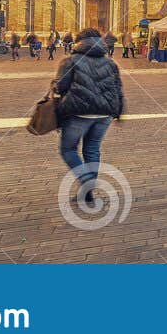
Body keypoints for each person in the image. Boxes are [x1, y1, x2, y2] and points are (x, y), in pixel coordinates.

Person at [53, 28, 125, 209]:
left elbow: (60, 87)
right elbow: (118, 89)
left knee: (68, 149)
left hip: (78, 113)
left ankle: (87, 181)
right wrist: (118, 112)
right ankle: (87, 192)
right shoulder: (110, 63)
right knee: (92, 150)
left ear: (78, 41)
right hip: (104, 114)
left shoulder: (70, 61)